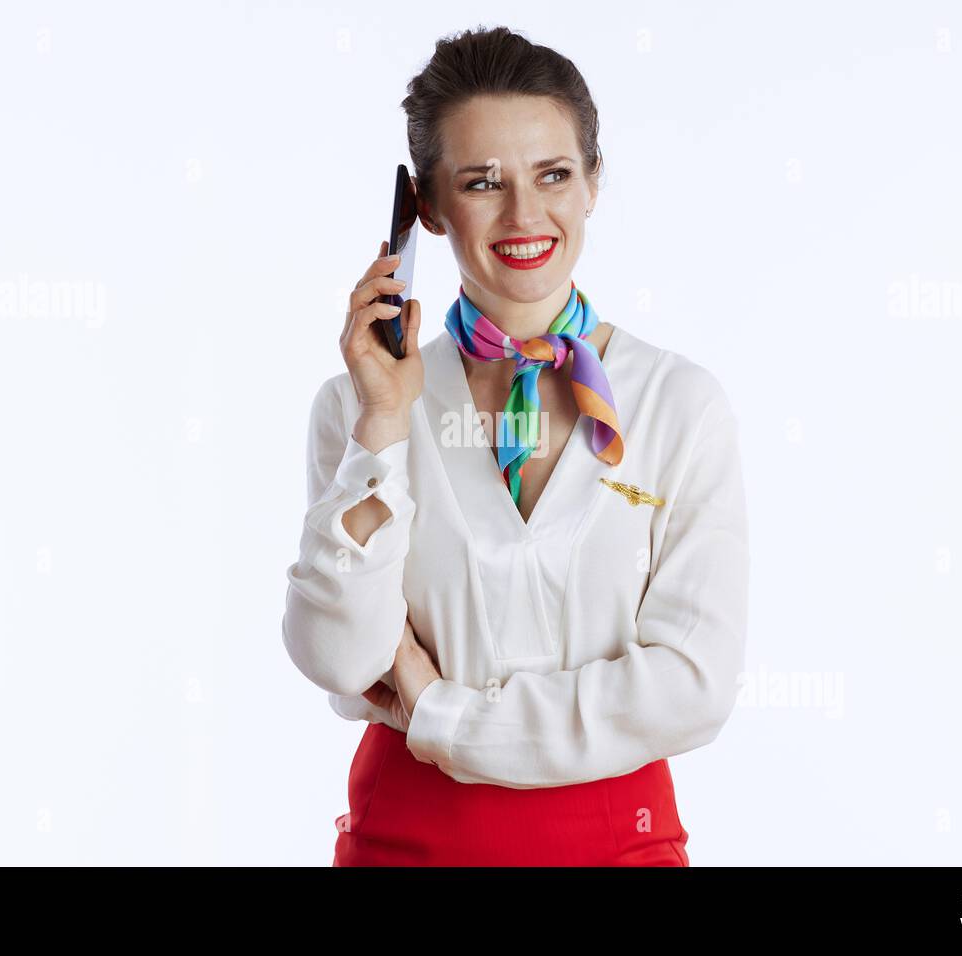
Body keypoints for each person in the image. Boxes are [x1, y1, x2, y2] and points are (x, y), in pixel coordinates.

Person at [282, 25, 749, 866]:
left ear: (594, 182)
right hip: (408, 846)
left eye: (554, 175)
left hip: (620, 848)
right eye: (482, 182)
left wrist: (445, 717)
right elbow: (339, 656)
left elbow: (693, 690)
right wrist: (385, 423)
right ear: (425, 207)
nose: (525, 216)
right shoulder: (357, 409)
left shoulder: (680, 406)